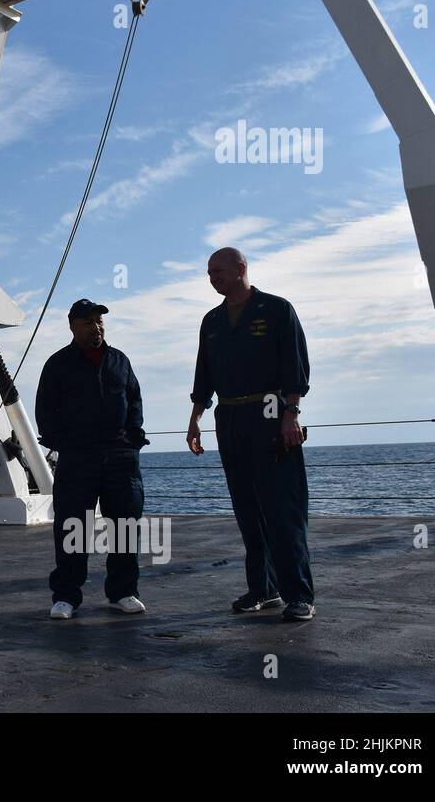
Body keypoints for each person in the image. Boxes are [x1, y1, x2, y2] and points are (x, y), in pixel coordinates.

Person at [186, 248, 316, 621]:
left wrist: (291, 414)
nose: (213, 278)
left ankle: (299, 595)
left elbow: (295, 366)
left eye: (219, 271)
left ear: (241, 269)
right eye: (209, 273)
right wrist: (196, 418)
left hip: (271, 412)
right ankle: (263, 589)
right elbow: (203, 375)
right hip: (228, 416)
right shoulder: (211, 321)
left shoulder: (277, 309)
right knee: (247, 509)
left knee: (282, 509)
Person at [36, 299, 149, 620]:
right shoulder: (58, 364)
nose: (96, 328)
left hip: (120, 457)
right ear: (72, 326)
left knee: (125, 525)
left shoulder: (119, 361)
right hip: (78, 458)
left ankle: (123, 592)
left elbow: (134, 400)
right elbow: (45, 409)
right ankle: (66, 596)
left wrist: (132, 441)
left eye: (99, 322)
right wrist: (65, 444)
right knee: (72, 527)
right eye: (88, 322)